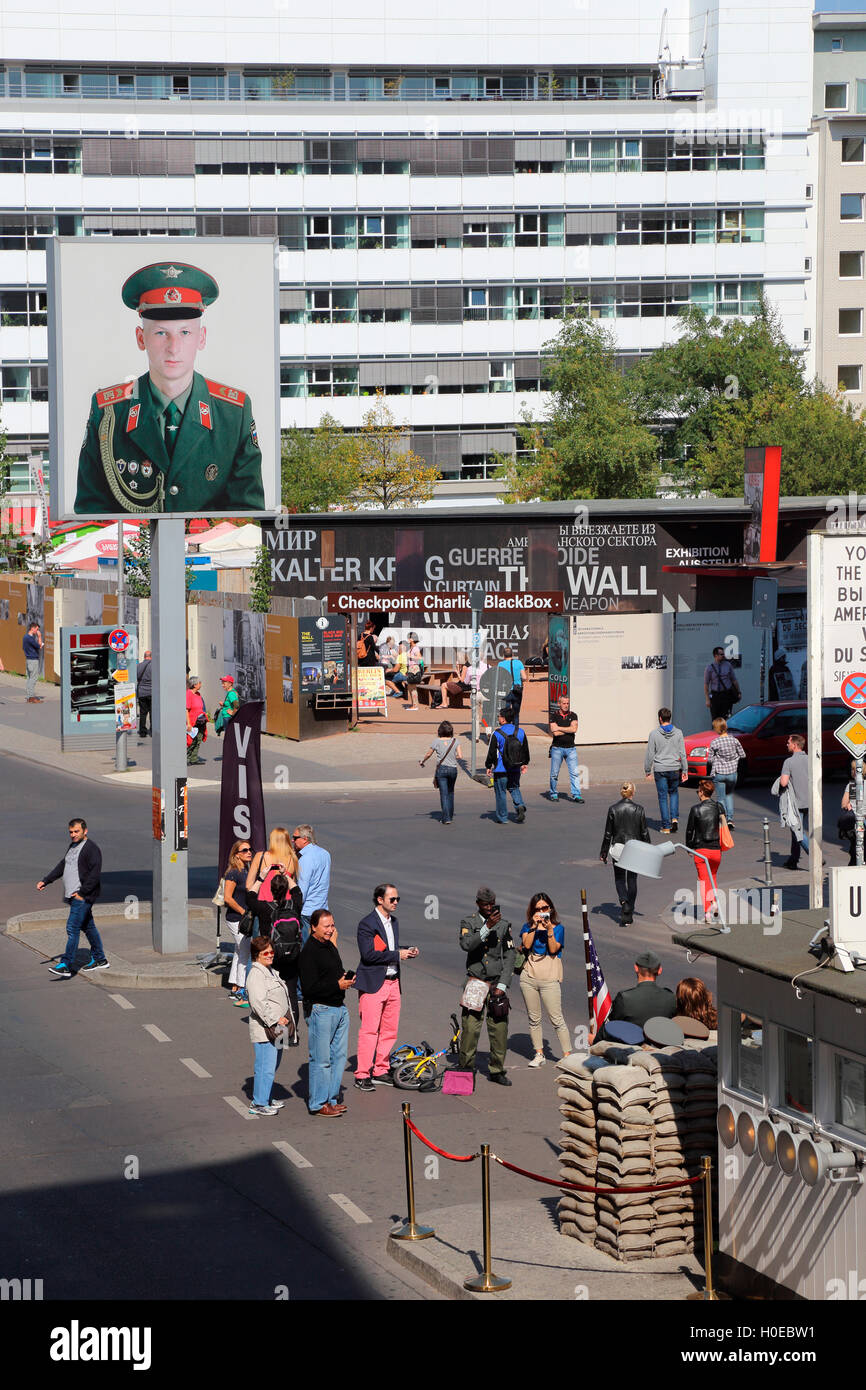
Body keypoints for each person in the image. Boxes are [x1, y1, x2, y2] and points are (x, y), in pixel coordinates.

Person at [74, 260, 264, 515]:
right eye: (161, 333)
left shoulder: (234, 413)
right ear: (141, 339)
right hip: (133, 554)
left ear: (202, 338)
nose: (174, 347)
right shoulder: (109, 411)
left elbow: (246, 519)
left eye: (185, 333)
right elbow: (91, 514)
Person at [353, 883, 419, 1092]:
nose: (396, 902)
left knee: (389, 1031)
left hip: (393, 982)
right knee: (369, 1031)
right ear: (380, 900)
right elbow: (368, 955)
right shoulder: (367, 924)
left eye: (398, 899)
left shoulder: (394, 922)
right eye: (392, 899)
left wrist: (406, 950)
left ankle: (381, 1069)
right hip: (374, 984)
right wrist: (397, 954)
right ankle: (362, 1074)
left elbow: (389, 948)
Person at [456, 887, 517, 1085]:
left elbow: (509, 956)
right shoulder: (469, 922)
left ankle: (497, 1069)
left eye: (492, 904)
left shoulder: (504, 925)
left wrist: (503, 984)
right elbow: (466, 945)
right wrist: (486, 928)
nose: (489, 908)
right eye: (485, 904)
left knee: (499, 1030)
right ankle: (466, 1068)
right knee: (470, 1029)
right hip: (475, 983)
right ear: (478, 904)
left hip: (495, 984)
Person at [298, 908, 354, 1117]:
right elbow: (310, 988)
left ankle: (331, 1098)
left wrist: (345, 979)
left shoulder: (329, 946)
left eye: (332, 925)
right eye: (327, 926)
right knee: (321, 1060)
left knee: (338, 1057)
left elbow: (334, 972)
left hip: (339, 1009)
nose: (331, 930)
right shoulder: (309, 952)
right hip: (321, 1010)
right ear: (313, 927)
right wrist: (336, 985)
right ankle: (318, 1103)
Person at [37, 818, 109, 978]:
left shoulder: (92, 849)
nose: (73, 834)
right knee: (88, 927)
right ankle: (100, 959)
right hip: (74, 896)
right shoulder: (73, 846)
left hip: (82, 897)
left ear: (85, 831)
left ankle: (66, 965)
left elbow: (94, 875)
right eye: (71, 832)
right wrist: (46, 880)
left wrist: (82, 893)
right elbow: (64, 864)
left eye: (76, 831)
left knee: (72, 928)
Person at [518, 892, 571, 1068]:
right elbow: (526, 945)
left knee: (556, 1018)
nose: (542, 912)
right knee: (534, 1018)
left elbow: (554, 949)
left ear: (551, 908)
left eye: (545, 908)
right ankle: (539, 1054)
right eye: (538, 909)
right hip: (529, 975)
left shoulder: (558, 928)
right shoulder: (528, 926)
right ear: (533, 911)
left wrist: (549, 930)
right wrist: (534, 925)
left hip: (549, 976)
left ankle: (567, 1056)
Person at [245, 936, 293, 1117]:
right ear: (257, 955)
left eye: (272, 952)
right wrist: (275, 1019)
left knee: (273, 1065)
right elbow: (258, 1003)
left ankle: (266, 1097)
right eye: (266, 953)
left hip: (278, 1029)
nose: (270, 955)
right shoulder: (256, 974)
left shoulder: (270, 970)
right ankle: (259, 1102)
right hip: (267, 1029)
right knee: (265, 1065)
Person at [599, 781, 651, 926]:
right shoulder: (639, 809)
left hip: (619, 848)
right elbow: (644, 832)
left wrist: (604, 851)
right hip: (634, 848)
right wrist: (649, 849)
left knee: (620, 878)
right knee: (632, 880)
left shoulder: (613, 809)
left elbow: (608, 833)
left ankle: (623, 901)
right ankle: (630, 909)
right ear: (633, 793)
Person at [260, 872, 304, 1041]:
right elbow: (297, 891)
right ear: (286, 889)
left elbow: (250, 896)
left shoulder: (266, 908)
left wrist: (261, 877)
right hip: (293, 957)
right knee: (292, 995)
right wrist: (286, 873)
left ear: (271, 890)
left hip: (274, 958)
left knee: (277, 997)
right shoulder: (294, 906)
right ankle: (293, 1035)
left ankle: (282, 1037)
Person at [644, 707, 688, 833]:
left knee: (663, 797)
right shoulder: (678, 733)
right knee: (673, 793)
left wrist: (647, 770)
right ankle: (674, 818)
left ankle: (666, 826)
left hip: (660, 768)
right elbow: (682, 753)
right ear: (670, 718)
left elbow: (650, 754)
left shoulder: (654, 734)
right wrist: (685, 770)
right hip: (675, 767)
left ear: (660, 718)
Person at [685, 778, 724, 921]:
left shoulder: (695, 809)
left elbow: (690, 831)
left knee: (703, 880)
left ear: (702, 792)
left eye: (698, 791)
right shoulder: (719, 807)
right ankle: (714, 902)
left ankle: (707, 911)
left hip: (701, 850)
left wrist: (689, 847)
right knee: (712, 877)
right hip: (716, 850)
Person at [608, 950, 676, 1029]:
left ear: (636, 968)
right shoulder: (671, 998)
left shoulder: (624, 998)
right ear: (660, 970)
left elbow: (611, 1026)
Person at [485, 708, 530, 824]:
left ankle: (502, 817)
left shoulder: (497, 733)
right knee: (514, 787)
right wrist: (525, 763)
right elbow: (525, 749)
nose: (498, 718)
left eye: (499, 716)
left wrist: (488, 765)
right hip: (515, 767)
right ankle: (519, 805)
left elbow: (491, 752)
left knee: (500, 792)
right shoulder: (520, 732)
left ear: (503, 719)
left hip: (501, 768)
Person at [223, 838, 253, 1005]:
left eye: (249, 849)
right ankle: (241, 987)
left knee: (239, 950)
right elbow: (228, 898)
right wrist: (244, 912)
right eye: (244, 850)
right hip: (236, 919)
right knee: (245, 952)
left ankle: (234, 987)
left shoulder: (246, 870)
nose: (249, 852)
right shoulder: (233, 872)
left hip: (242, 918)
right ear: (236, 855)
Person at [247, 827, 298, 922]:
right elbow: (293, 886)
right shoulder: (292, 859)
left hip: (263, 907)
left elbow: (248, 885)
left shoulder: (261, 856)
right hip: (284, 908)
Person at [420, 720, 465, 824]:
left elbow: (428, 754)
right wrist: (453, 757)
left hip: (442, 770)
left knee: (444, 794)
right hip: (453, 770)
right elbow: (460, 756)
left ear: (440, 731)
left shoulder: (436, 741)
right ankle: (450, 814)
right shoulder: (455, 741)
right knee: (451, 793)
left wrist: (423, 761)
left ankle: (446, 818)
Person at [292, 824, 331, 943]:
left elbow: (302, 890)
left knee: (307, 947)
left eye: (295, 837)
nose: (292, 840)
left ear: (305, 839)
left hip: (308, 911)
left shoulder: (305, 859)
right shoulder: (325, 853)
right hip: (322, 907)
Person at [708, 717, 746, 828]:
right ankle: (730, 819)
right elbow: (743, 755)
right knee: (729, 795)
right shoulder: (734, 740)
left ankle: (723, 819)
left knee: (720, 798)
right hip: (732, 772)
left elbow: (710, 759)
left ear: (716, 729)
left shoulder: (715, 742)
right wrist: (735, 759)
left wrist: (717, 759)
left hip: (719, 772)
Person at [779, 733, 810, 869]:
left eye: (789, 742)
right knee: (796, 830)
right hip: (810, 801)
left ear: (795, 745)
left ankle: (815, 855)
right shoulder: (811, 759)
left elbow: (784, 782)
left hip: (795, 803)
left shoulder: (789, 762)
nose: (787, 744)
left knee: (796, 830)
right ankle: (793, 859)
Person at [548, 693, 583, 803]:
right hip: (557, 748)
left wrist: (559, 728)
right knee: (554, 773)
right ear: (559, 704)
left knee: (574, 773)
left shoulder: (573, 715)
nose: (566, 705)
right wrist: (567, 729)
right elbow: (555, 732)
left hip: (571, 749)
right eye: (564, 703)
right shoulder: (553, 716)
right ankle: (553, 793)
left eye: (567, 703)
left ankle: (576, 794)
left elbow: (574, 730)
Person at [703, 646, 741, 721]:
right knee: (715, 718)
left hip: (726, 695)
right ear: (715, 655)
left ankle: (724, 732)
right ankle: (715, 732)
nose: (724, 656)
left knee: (725, 718)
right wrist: (707, 699)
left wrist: (738, 692)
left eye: (723, 654)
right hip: (715, 696)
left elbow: (734, 680)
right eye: (721, 654)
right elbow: (706, 684)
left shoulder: (728, 665)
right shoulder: (709, 668)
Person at [839, 761, 860, 866]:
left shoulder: (852, 785)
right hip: (861, 822)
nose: (852, 771)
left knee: (855, 848)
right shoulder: (853, 785)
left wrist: (848, 806)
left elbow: (843, 803)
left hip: (855, 822)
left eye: (853, 769)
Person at [497, 646, 526, 721]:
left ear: (503, 655)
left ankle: (506, 730)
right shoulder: (519, 663)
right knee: (516, 713)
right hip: (517, 690)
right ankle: (515, 730)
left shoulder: (500, 664)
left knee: (505, 713)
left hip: (505, 690)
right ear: (512, 654)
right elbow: (524, 677)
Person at [185, 675, 207, 764]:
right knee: (191, 741)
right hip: (192, 721)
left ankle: (193, 758)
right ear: (194, 685)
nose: (201, 685)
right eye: (199, 683)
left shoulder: (198, 694)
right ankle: (186, 758)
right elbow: (186, 709)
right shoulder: (188, 694)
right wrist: (189, 724)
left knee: (198, 739)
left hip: (200, 721)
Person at [23, 621, 43, 702]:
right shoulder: (30, 638)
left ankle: (29, 696)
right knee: (33, 678)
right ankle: (31, 697)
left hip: (28, 659)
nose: (37, 631)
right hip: (33, 660)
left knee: (29, 678)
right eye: (37, 629)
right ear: (32, 628)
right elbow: (39, 646)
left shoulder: (25, 637)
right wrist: (40, 636)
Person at [404, 632, 424, 711]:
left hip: (414, 668)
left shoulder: (415, 648)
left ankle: (415, 705)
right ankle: (413, 704)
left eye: (409, 638)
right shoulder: (412, 648)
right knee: (410, 687)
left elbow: (419, 658)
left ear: (412, 639)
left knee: (413, 687)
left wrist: (410, 656)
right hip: (411, 668)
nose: (408, 639)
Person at [136, 649, 152, 737]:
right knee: (152, 712)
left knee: (143, 713)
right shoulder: (154, 666)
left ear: (144, 657)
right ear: (151, 656)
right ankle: (152, 730)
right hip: (151, 692)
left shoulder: (138, 666)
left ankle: (142, 731)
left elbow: (136, 677)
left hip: (141, 692)